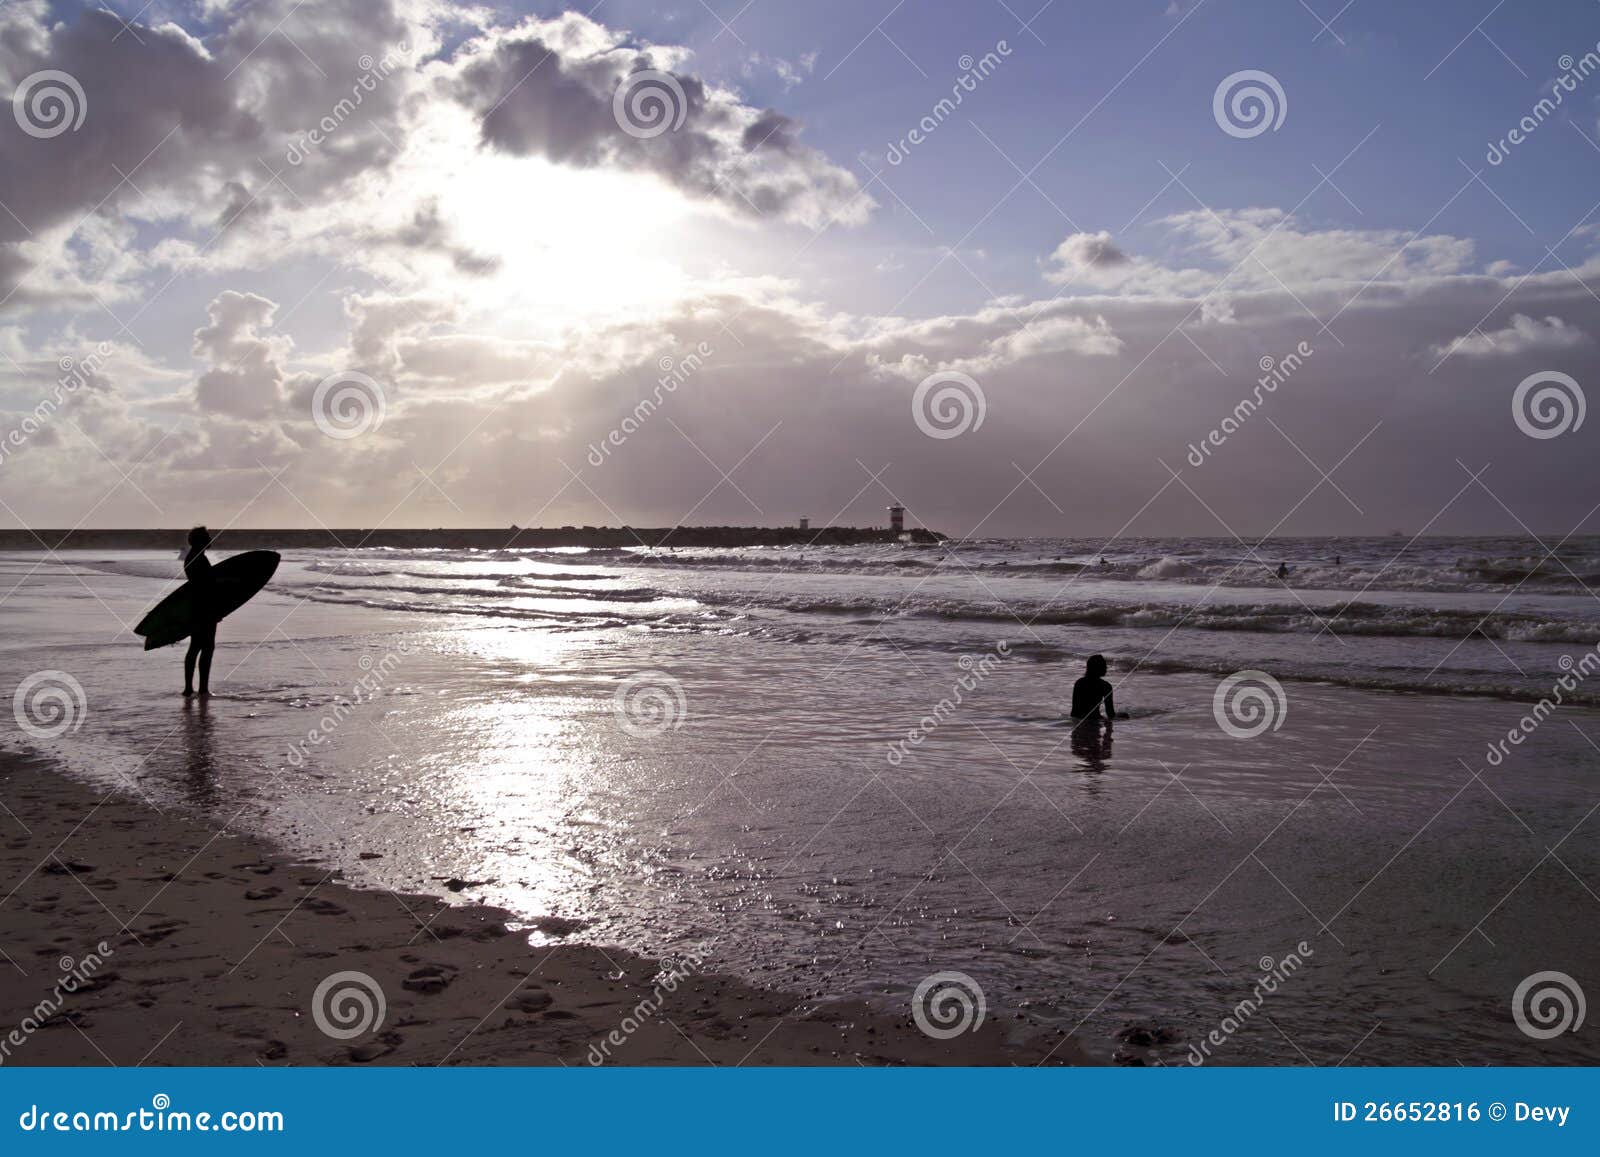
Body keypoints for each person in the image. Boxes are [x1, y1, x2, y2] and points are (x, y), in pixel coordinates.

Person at [183, 526, 217, 697]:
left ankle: (189, 688)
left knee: (196, 646)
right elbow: (206, 585)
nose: (210, 539)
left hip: (196, 607)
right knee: (206, 647)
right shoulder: (198, 559)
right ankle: (202, 688)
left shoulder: (193, 557)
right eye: (207, 536)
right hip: (204, 608)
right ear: (200, 540)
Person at [1070, 654, 1120, 722]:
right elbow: (1110, 714)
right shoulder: (1106, 686)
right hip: (1095, 719)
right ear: (1098, 668)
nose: (1106, 667)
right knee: (1125, 715)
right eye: (1104, 665)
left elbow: (1074, 711)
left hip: (1078, 719)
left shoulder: (1079, 683)